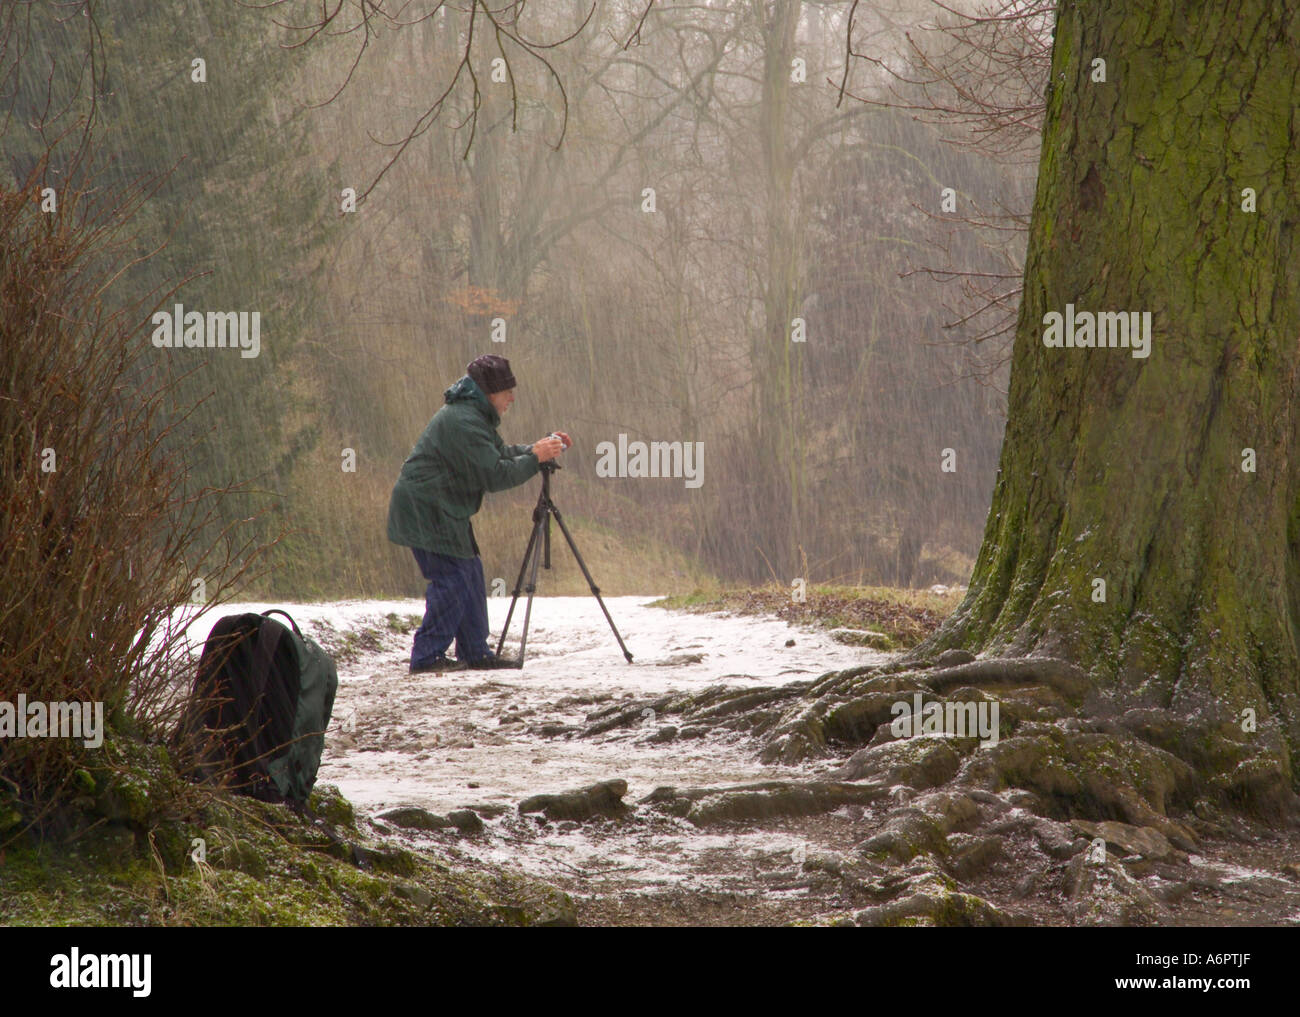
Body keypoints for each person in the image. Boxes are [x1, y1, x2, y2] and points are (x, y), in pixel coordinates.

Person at [387, 354, 569, 673]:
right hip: (429, 510)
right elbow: (494, 475)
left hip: (444, 508)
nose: (512, 397)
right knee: (453, 577)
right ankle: (427, 657)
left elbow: (496, 455)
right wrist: (535, 459)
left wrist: (535, 449)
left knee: (469, 571)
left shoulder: (472, 415)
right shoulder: (464, 421)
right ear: (490, 391)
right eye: (507, 391)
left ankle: (474, 651)